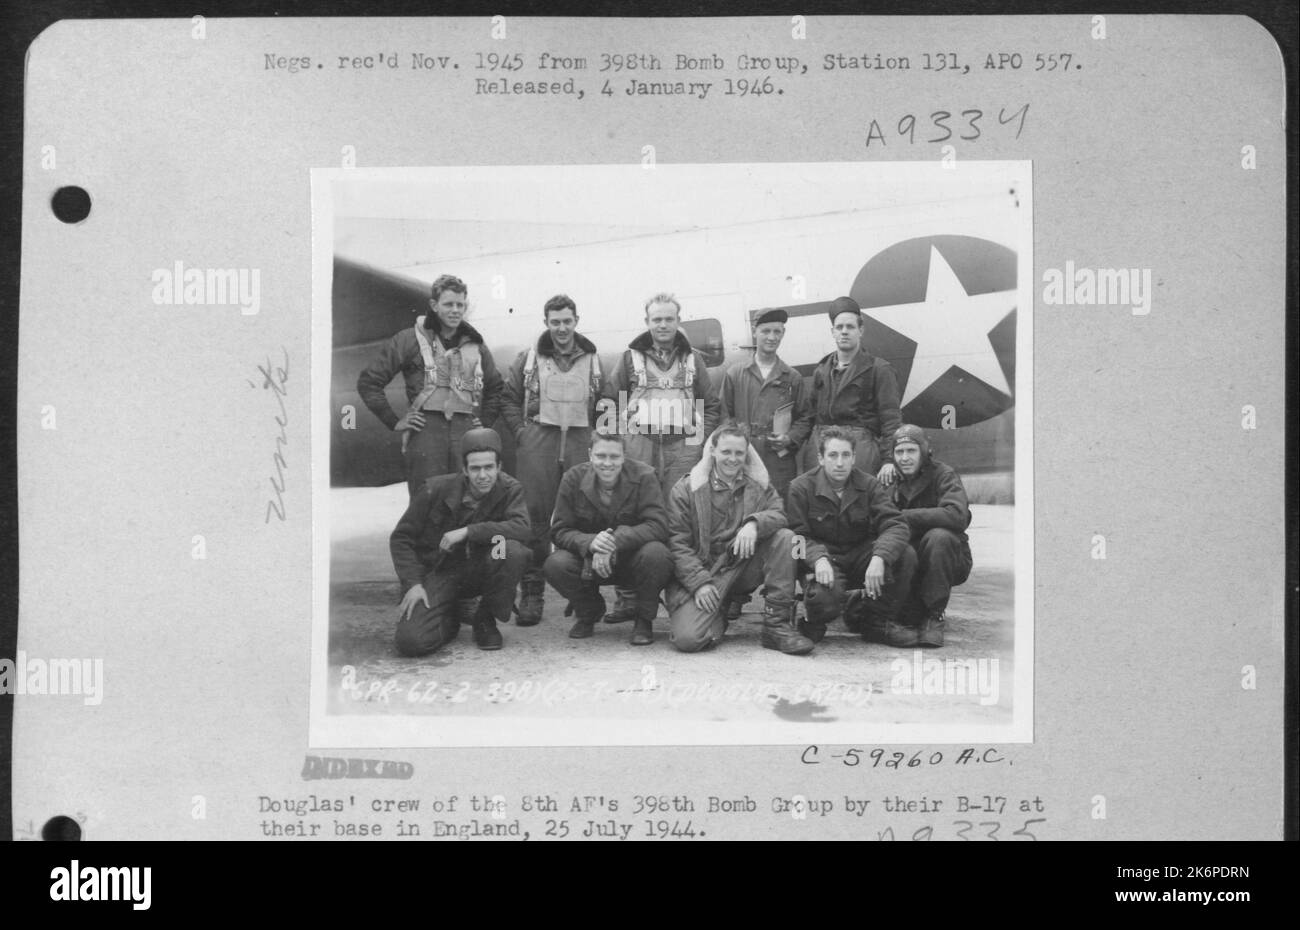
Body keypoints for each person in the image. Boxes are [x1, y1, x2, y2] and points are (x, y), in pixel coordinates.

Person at [602, 292, 720, 623]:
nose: (663, 325)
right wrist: (617, 443)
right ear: (647, 322)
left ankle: (677, 594)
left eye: (669, 319)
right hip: (640, 444)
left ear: (678, 321)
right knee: (631, 515)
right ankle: (627, 597)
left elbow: (710, 406)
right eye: (657, 319)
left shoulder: (693, 360)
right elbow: (609, 402)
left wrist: (698, 443)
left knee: (679, 520)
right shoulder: (630, 359)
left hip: (681, 446)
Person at [501, 295, 606, 626]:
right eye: (555, 322)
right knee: (535, 519)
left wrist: (598, 436)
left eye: (567, 321)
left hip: (578, 441)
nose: (562, 328)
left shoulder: (593, 359)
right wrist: (521, 434)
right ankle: (532, 592)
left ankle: (581, 592)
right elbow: (509, 398)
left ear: (577, 320)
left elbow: (606, 402)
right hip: (539, 443)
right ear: (546, 322)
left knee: (584, 513)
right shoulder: (529, 359)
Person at [664, 423, 813, 655]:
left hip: (742, 566)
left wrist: (754, 523)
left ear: (746, 454)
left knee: (786, 539)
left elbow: (779, 515)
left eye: (739, 453)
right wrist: (699, 583)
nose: (732, 459)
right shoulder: (686, 489)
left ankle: (776, 625)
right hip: (707, 572)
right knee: (689, 640)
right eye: (726, 452)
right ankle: (718, 611)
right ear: (712, 451)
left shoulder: (758, 485)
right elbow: (677, 543)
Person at [357, 274, 505, 497]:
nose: (455, 310)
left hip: (465, 430)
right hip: (425, 430)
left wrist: (484, 422)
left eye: (460, 305)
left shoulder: (476, 346)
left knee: (465, 499)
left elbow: (495, 387)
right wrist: (394, 421)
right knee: (425, 501)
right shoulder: (408, 340)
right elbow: (369, 381)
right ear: (434, 306)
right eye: (448, 304)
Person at [389, 428, 529, 656]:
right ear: (464, 469)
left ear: (499, 467)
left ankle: (485, 618)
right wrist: (412, 584)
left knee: (511, 550)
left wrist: (469, 531)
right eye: (475, 468)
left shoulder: (510, 489)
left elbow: (522, 528)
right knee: (411, 642)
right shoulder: (434, 489)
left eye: (489, 467)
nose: (483, 476)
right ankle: (450, 616)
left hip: (482, 568)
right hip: (441, 572)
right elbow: (401, 538)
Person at [786, 426, 915, 646]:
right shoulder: (800, 488)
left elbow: (896, 524)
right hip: (826, 559)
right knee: (825, 602)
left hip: (859, 555)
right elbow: (796, 537)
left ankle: (876, 621)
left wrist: (880, 557)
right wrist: (817, 559)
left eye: (846, 455)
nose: (839, 463)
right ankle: (814, 620)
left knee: (905, 555)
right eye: (833, 455)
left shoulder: (869, 485)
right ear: (820, 458)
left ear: (854, 458)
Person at [545, 432, 674, 645]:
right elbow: (559, 530)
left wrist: (614, 542)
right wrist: (591, 543)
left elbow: (659, 526)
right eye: (601, 456)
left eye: (614, 457)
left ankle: (644, 618)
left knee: (658, 554)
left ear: (624, 456)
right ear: (590, 455)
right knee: (556, 564)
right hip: (590, 564)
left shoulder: (644, 476)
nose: (607, 463)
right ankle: (589, 610)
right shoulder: (572, 478)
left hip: (632, 561)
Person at [802, 296, 902, 486]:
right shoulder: (821, 370)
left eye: (850, 327)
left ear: (861, 330)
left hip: (860, 452)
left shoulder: (879, 369)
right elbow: (808, 417)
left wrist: (889, 460)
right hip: (823, 449)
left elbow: (891, 420)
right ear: (832, 332)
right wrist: (790, 441)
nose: (844, 332)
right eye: (839, 327)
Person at [888, 424, 973, 647]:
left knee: (939, 537)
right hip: (909, 559)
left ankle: (934, 616)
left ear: (925, 451)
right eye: (899, 452)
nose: (905, 458)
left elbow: (957, 515)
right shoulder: (889, 480)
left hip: (947, 557)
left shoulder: (944, 474)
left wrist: (906, 516)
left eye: (911, 451)